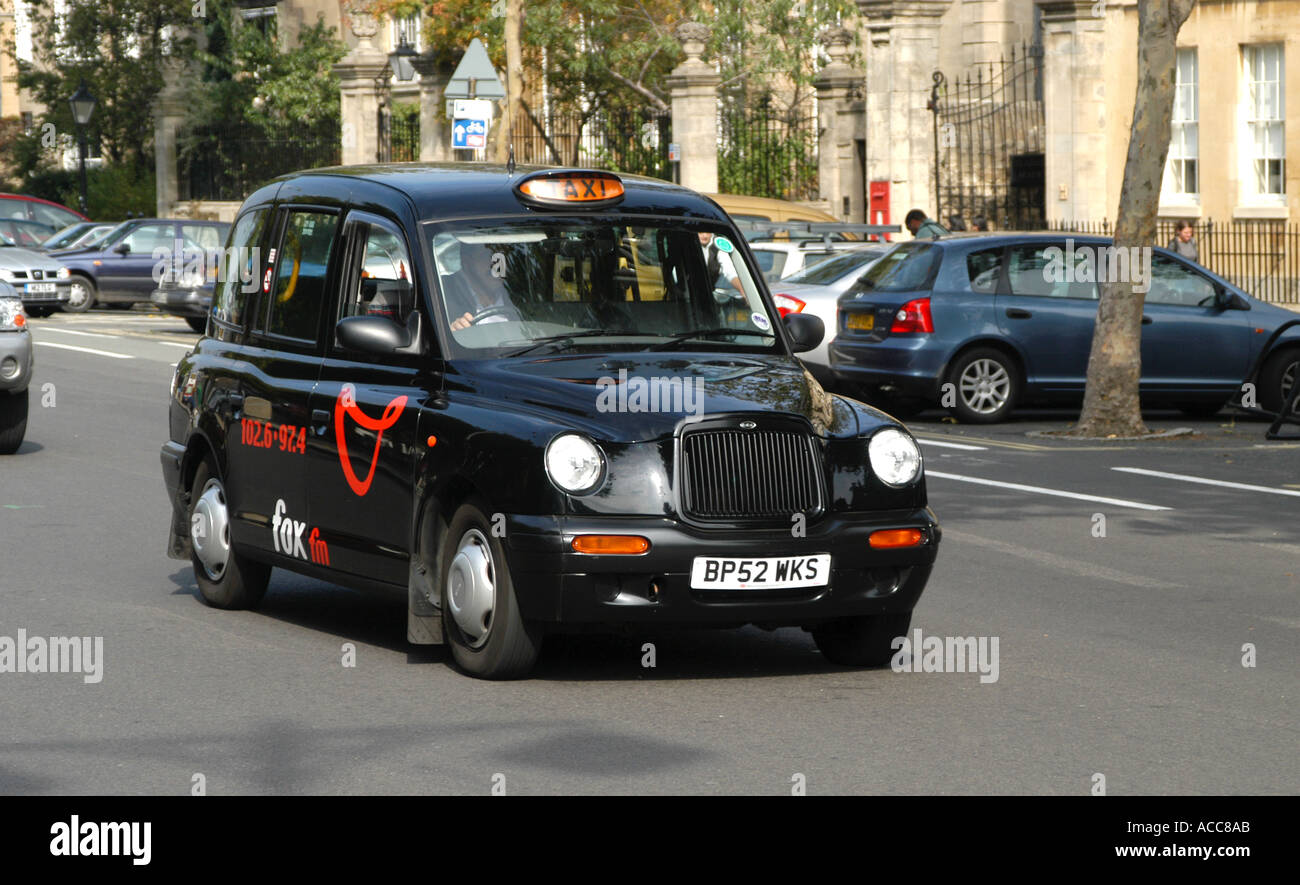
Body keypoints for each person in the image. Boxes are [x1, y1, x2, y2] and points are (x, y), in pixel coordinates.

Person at [449, 243, 520, 330]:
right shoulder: (440, 294)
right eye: (489, 255)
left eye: (502, 255)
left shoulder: (519, 290)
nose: (498, 264)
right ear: (466, 262)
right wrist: (451, 331)